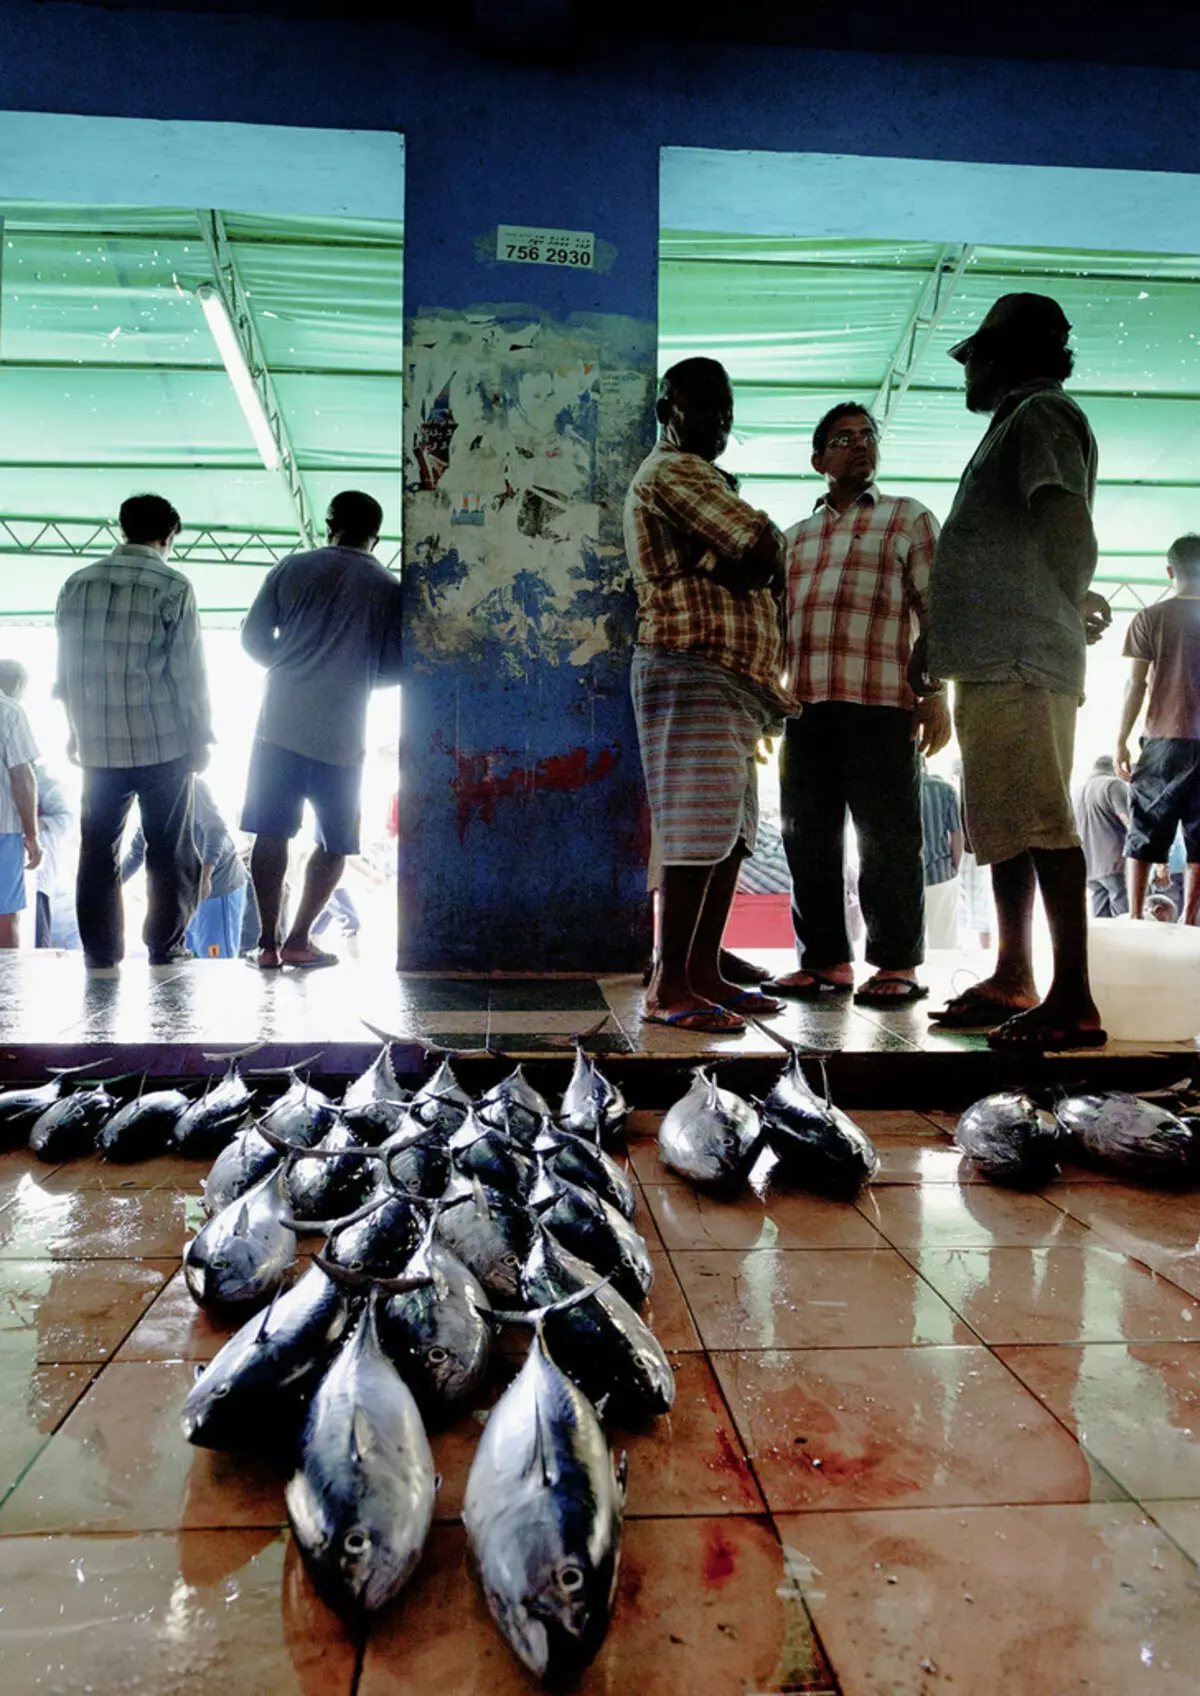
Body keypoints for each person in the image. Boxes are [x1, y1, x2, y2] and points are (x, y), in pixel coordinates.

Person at [922, 292, 1111, 1049]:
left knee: (1038, 817)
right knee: (1002, 820)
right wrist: (937, 641)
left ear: (1004, 357)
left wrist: (1062, 604)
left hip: (1022, 653)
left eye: (975, 357)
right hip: (994, 655)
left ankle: (1074, 999)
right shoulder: (1014, 424)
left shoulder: (1038, 416)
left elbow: (1065, 519)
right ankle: (1014, 974)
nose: (969, 372)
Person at [625, 356, 790, 1033]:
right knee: (698, 833)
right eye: (705, 406)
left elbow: (763, 559)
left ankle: (701, 973)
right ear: (668, 408)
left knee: (729, 833)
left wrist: (734, 560)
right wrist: (746, 555)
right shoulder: (674, 471)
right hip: (691, 665)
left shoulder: (702, 476)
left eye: (727, 409)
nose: (720, 420)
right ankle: (670, 987)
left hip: (729, 678)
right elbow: (760, 542)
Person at [768, 402, 950, 1006]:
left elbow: (936, 614)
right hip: (808, 709)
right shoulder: (792, 540)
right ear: (819, 460)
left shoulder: (908, 520)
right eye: (844, 439)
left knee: (889, 841)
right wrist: (769, 699)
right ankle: (824, 962)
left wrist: (935, 694)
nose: (860, 446)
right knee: (807, 838)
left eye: (867, 437)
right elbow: (777, 630)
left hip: (883, 705)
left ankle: (897, 964)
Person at [240, 489, 403, 970]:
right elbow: (398, 665)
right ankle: (299, 940)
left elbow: (251, 637)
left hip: (278, 727)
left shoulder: (291, 568)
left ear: (329, 523)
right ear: (377, 534)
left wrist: (290, 668)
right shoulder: (387, 587)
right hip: (342, 735)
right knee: (334, 841)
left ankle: (267, 945)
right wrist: (354, 676)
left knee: (271, 834)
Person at [54, 493, 211, 969]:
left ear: (122, 528)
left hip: (97, 746)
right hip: (162, 741)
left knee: (98, 849)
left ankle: (101, 953)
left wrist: (74, 730)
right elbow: (188, 673)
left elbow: (66, 668)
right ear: (169, 535)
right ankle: (165, 946)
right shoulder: (173, 585)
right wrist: (200, 735)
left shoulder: (76, 584)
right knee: (170, 850)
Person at [1117, 534, 1200, 925]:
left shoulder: (1149, 618)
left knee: (1145, 829)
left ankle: (1135, 917)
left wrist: (1120, 740)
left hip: (1163, 739)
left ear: (1170, 571)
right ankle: (1189, 920)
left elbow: (1136, 684)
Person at [122, 778, 247, 958]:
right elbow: (137, 852)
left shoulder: (192, 787)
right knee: (186, 959)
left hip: (217, 884)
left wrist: (205, 876)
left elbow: (216, 829)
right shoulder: (149, 797)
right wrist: (111, 885)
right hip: (184, 893)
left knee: (215, 958)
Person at [0, 660, 42, 946]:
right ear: (18, 685)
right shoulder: (9, 711)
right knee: (5, 917)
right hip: (3, 830)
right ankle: (5, 989)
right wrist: (32, 834)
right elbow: (21, 776)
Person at [1072, 754, 1129, 917]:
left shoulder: (1076, 793)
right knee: (1125, 922)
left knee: (1102, 921)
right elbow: (1130, 823)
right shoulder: (1113, 785)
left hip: (1089, 868)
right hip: (1116, 864)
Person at [920, 763, 964, 948]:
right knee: (944, 941)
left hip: (905, 878)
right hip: (940, 873)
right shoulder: (945, 789)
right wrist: (954, 867)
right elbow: (956, 834)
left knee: (910, 946)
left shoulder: (892, 790)